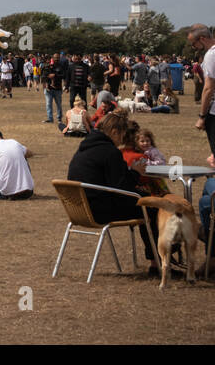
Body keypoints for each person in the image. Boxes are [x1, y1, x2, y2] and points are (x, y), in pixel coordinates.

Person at [67, 111, 157, 273]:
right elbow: (122, 188)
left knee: (146, 202)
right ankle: (157, 261)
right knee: (151, 205)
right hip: (100, 211)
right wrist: (136, 173)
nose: (121, 142)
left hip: (80, 209)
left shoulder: (83, 149)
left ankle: (157, 259)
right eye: (121, 136)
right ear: (115, 132)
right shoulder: (109, 152)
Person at [188, 25, 215, 193]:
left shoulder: (212, 55)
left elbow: (208, 88)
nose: (193, 48)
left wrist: (202, 116)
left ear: (202, 39)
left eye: (193, 44)